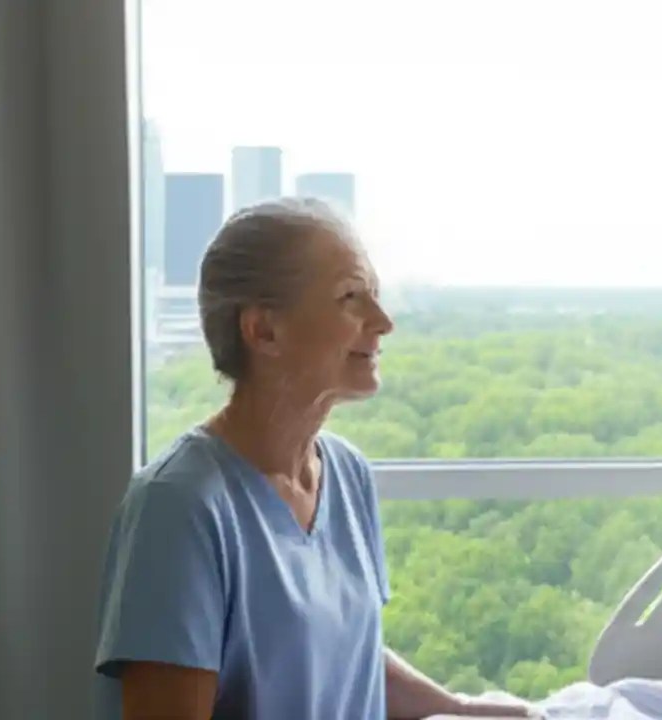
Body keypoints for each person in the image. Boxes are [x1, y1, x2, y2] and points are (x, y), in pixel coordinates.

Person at [94, 198, 541, 719]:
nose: (383, 321)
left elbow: (344, 654)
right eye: (351, 297)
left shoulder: (347, 475)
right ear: (263, 330)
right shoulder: (178, 508)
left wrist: (460, 709)